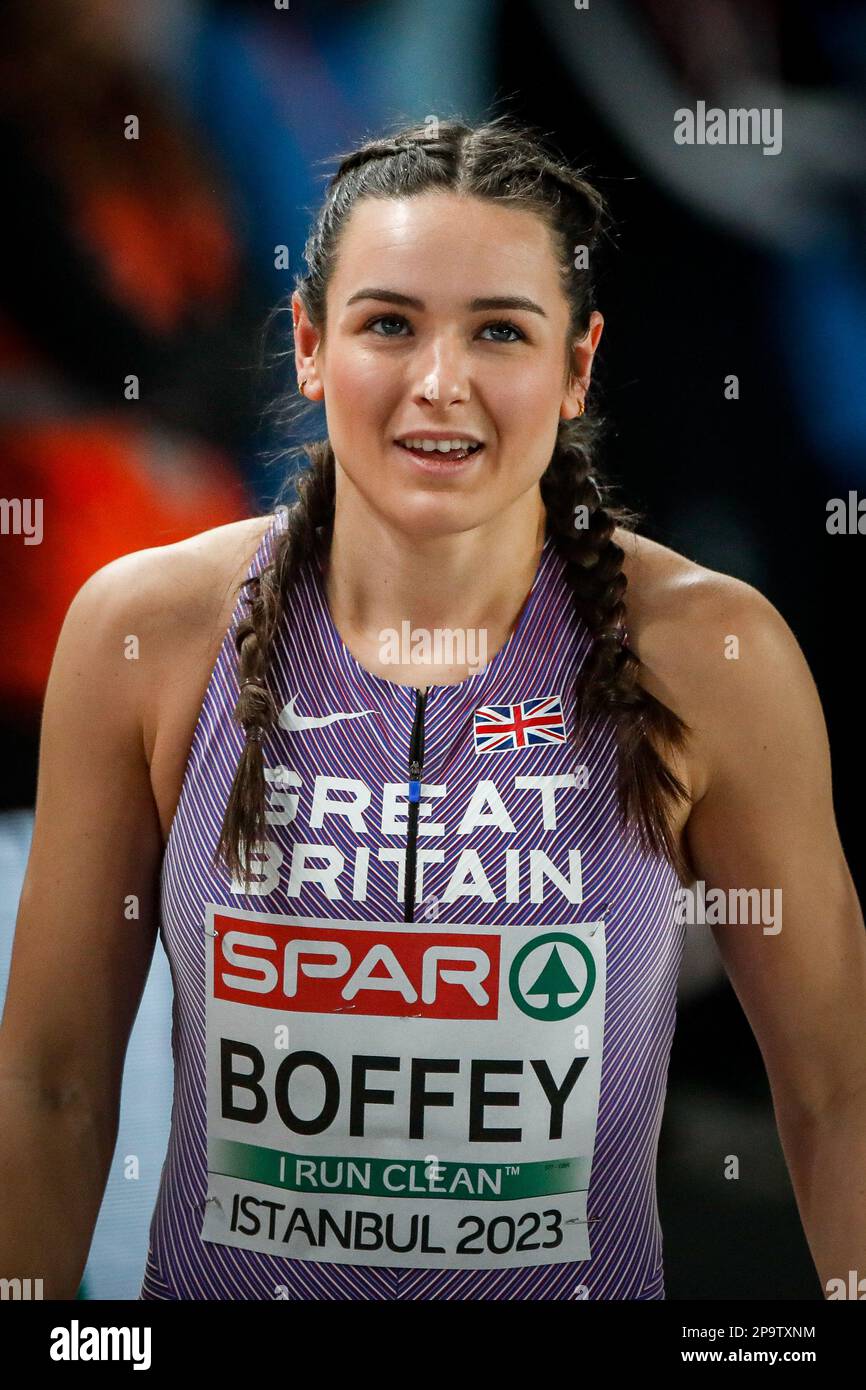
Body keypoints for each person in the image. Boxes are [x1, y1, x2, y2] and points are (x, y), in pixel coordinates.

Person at [2, 116, 864, 1303]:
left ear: (576, 366)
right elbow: (51, 1084)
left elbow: (836, 1093)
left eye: (500, 330)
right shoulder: (144, 632)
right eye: (388, 322)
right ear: (309, 344)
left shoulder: (711, 653)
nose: (438, 383)